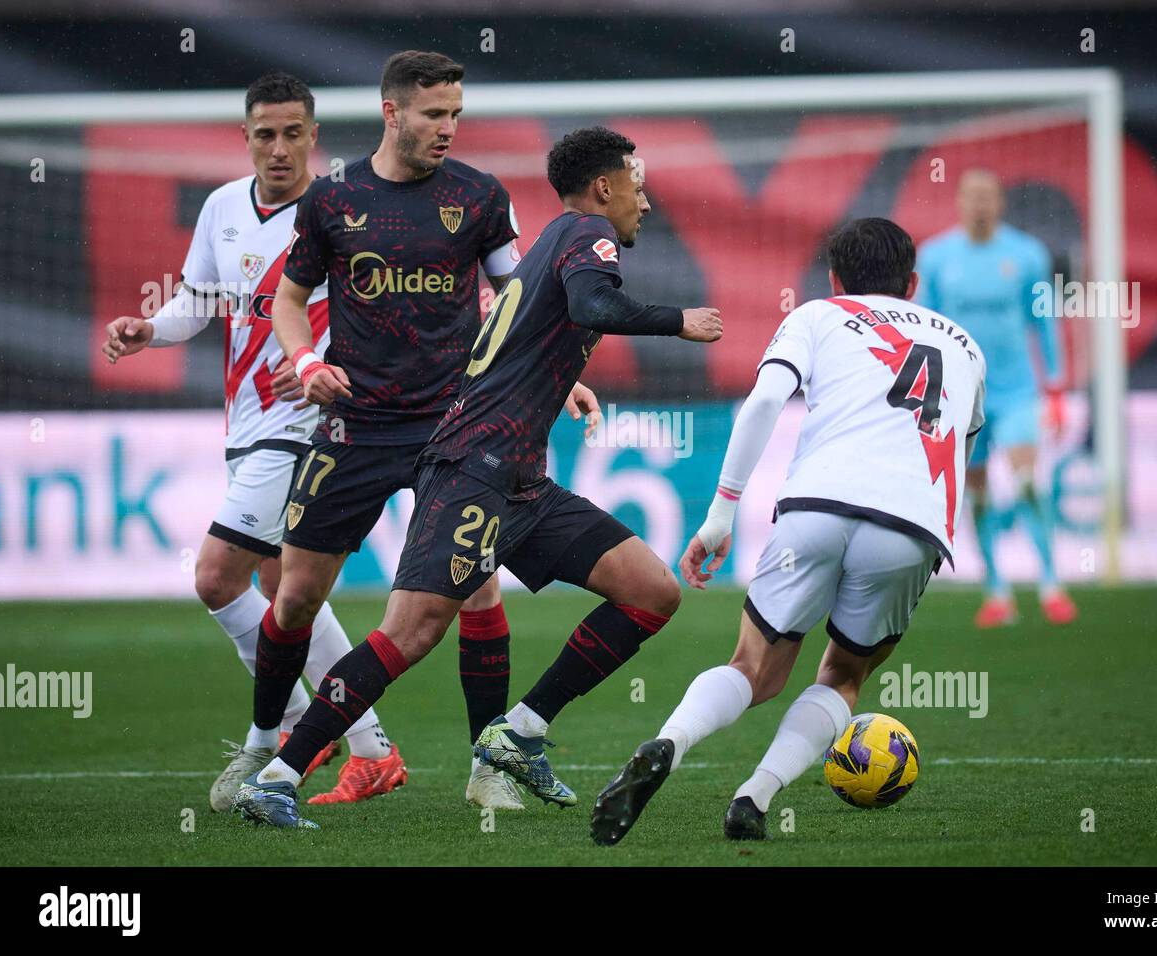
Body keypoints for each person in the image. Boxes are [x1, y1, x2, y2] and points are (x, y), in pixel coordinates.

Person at [233, 126, 722, 829]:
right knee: (410, 632)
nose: (645, 202)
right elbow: (593, 307)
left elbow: (536, 331)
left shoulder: (557, 237)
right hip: (473, 467)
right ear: (605, 187)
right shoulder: (590, 232)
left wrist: (564, 382)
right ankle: (277, 775)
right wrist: (680, 322)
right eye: (638, 187)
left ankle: (518, 732)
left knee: (650, 590)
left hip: (519, 475)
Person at [591, 217, 986, 844]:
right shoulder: (965, 345)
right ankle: (756, 795)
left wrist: (721, 513)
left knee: (754, 667)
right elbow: (962, 444)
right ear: (912, 282)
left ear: (834, 278)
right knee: (843, 677)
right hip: (911, 525)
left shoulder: (818, 315)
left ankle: (669, 740)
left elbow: (767, 401)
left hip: (816, 506)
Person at [101, 72, 398, 809]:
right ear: (245, 137)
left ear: (313, 137)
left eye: (293, 132)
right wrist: (150, 331)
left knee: (215, 577)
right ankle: (370, 748)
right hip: (244, 423)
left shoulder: (342, 211)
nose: (279, 147)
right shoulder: (223, 207)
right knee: (284, 586)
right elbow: (197, 302)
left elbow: (387, 315)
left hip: (309, 426)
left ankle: (294, 723)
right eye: (265, 133)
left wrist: (330, 367)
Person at [916, 168, 1077, 628]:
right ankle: (997, 590)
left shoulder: (1025, 255)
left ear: (1000, 203)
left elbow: (1043, 323)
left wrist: (1057, 388)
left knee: (1027, 480)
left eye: (988, 196)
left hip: (1016, 389)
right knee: (979, 495)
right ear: (960, 203)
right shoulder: (936, 257)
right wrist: (929, 395)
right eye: (972, 197)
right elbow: (926, 329)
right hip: (961, 394)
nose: (980, 205)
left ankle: (1050, 582)